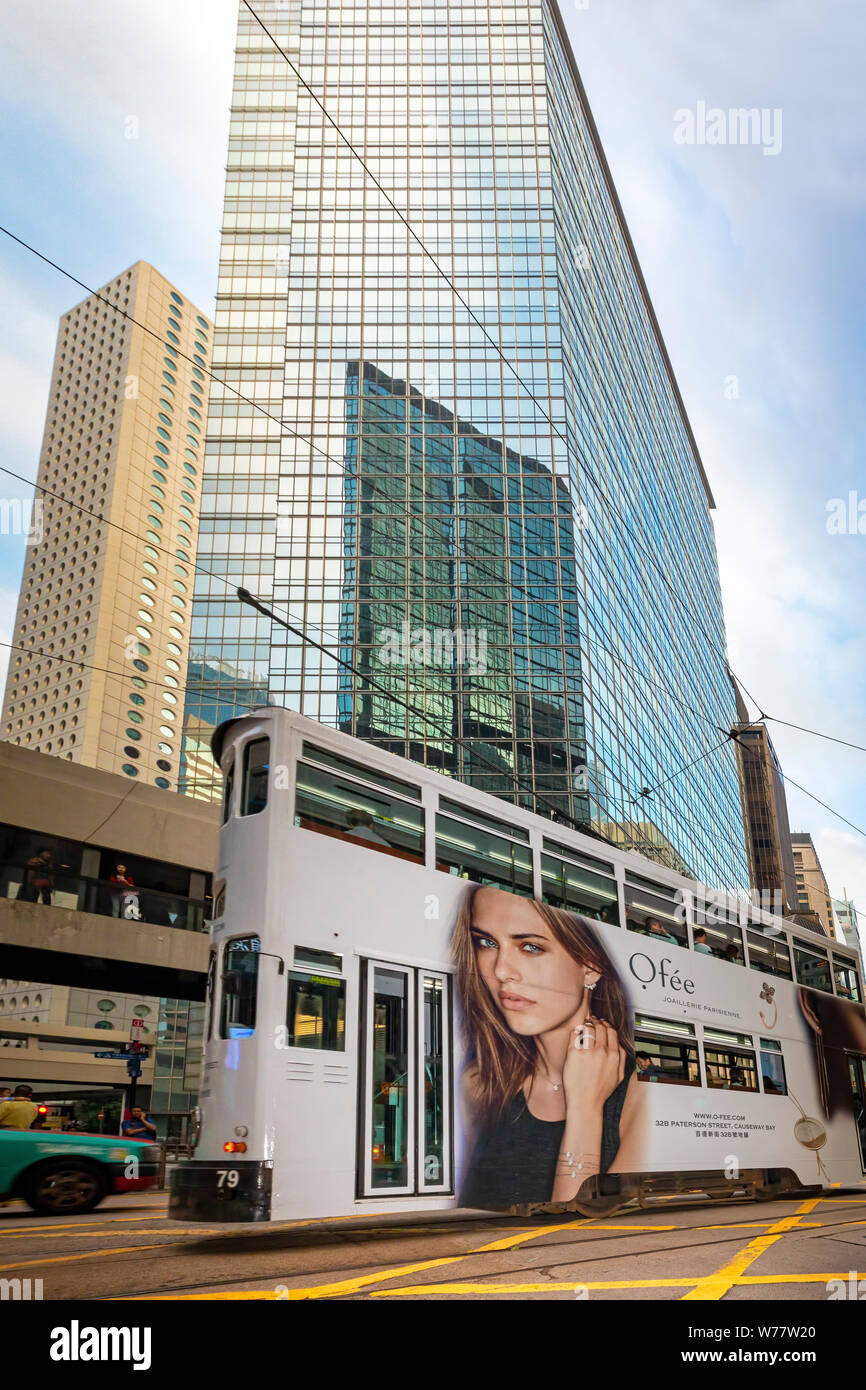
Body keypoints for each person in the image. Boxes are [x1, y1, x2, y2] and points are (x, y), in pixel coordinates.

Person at [453, 884, 645, 1208]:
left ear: (590, 966)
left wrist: (585, 1108)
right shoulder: (479, 1083)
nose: (500, 971)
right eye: (486, 943)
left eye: (530, 947)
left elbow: (568, 1226)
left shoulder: (640, 1097)